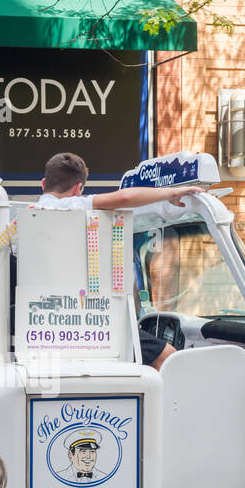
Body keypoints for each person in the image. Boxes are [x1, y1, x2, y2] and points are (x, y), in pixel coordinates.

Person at [35, 152, 207, 370]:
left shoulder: (24, 216)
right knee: (169, 358)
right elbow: (125, 198)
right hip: (83, 322)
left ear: (43, 183)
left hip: (46, 323)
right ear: (78, 189)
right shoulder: (69, 206)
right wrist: (172, 193)